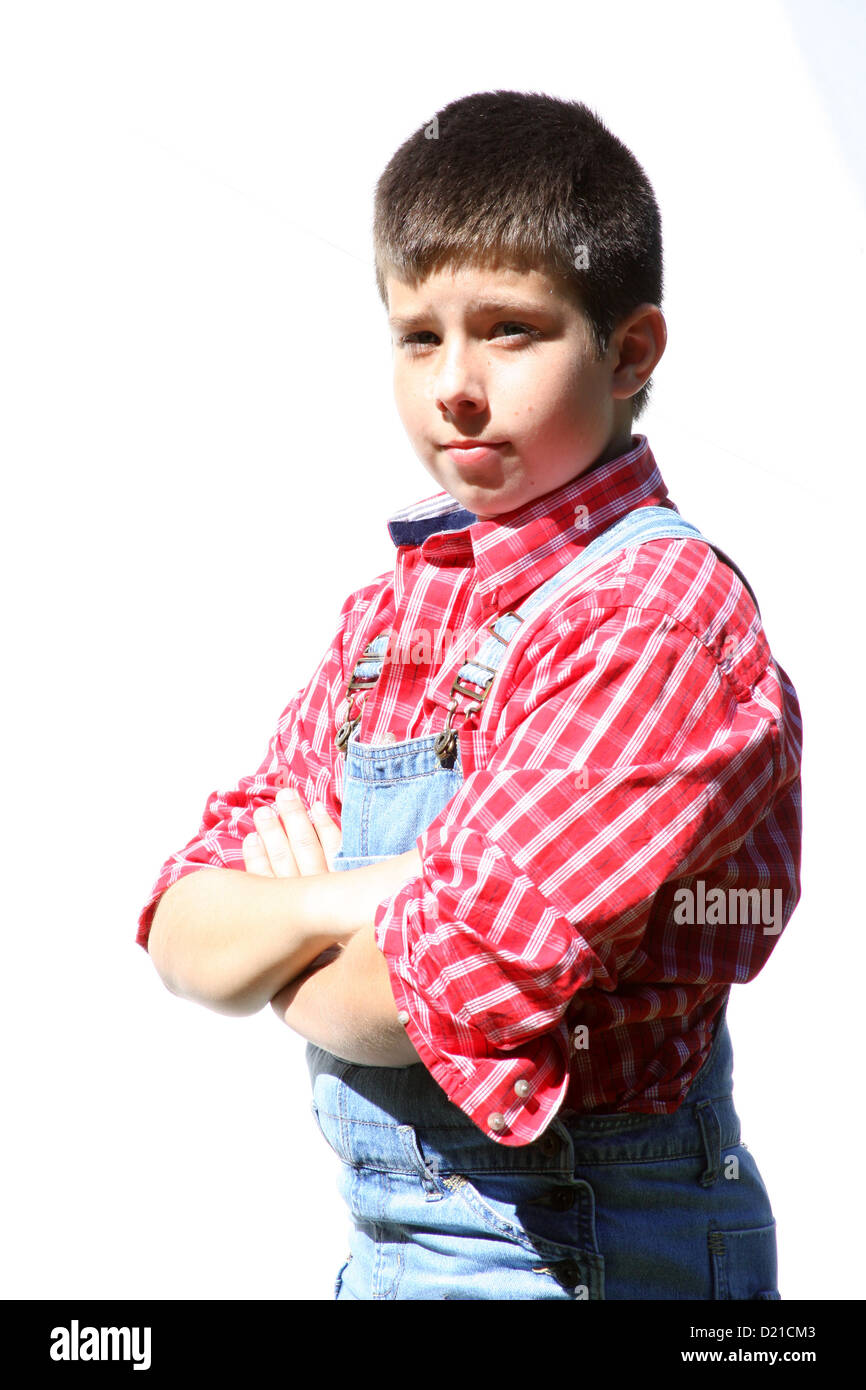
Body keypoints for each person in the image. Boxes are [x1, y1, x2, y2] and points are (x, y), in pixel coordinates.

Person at [137, 90, 802, 1300]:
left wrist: (284, 928)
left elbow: (446, 986)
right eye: (416, 336)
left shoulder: (649, 617)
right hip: (386, 1264)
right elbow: (182, 927)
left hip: (581, 1259)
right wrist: (364, 891)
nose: (453, 385)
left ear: (629, 349)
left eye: (507, 330)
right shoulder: (393, 614)